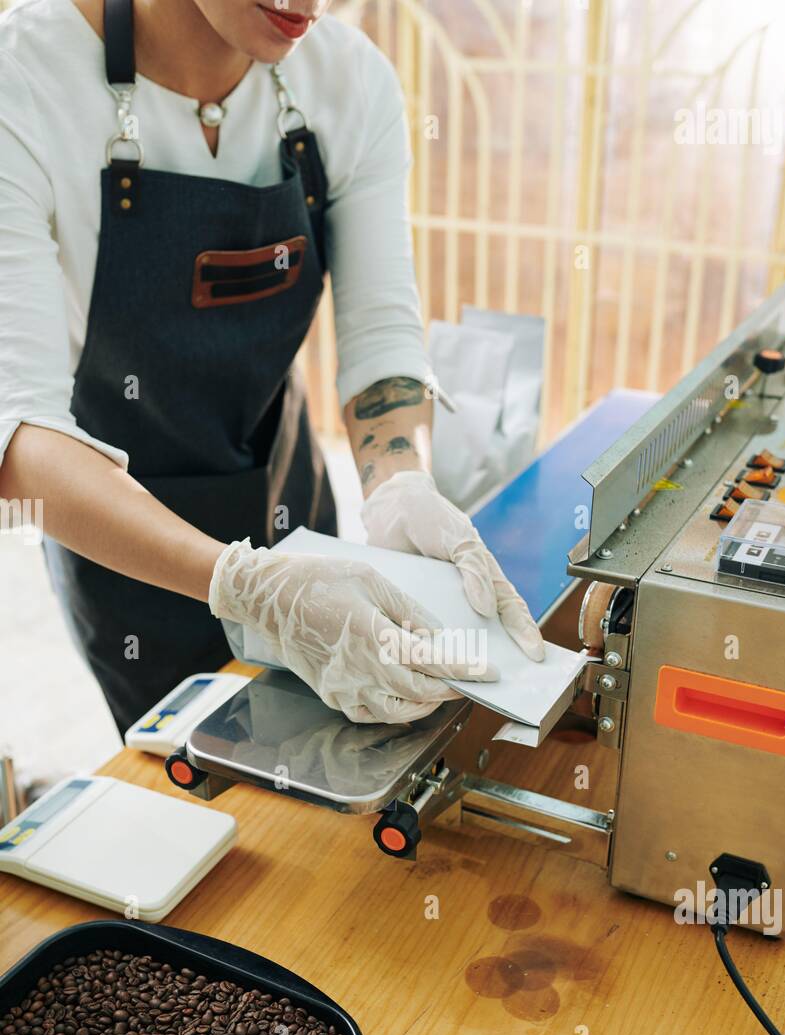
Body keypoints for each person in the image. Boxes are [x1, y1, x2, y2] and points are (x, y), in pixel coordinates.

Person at [0, 0, 543, 730]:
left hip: (290, 515)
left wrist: (398, 481)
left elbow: (381, 337)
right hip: (122, 544)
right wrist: (249, 588)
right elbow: (21, 437)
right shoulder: (24, 81)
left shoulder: (348, 81)